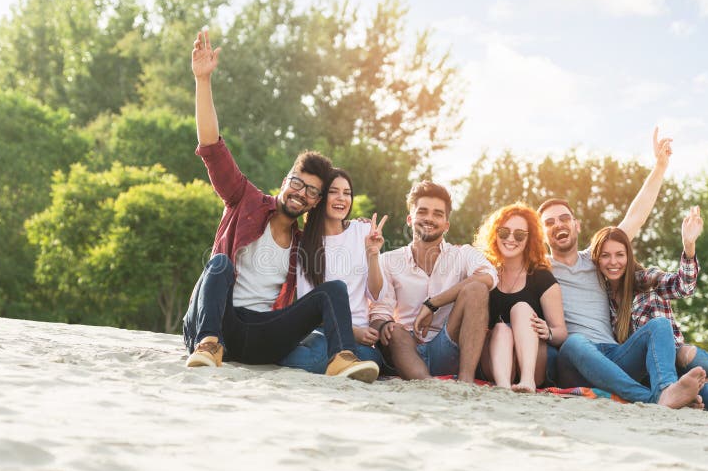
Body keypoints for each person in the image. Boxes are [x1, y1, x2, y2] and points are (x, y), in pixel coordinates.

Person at [182, 30, 379, 382]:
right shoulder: (245, 199)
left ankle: (341, 357)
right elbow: (211, 146)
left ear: (316, 202)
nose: (301, 193)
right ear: (286, 180)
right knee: (219, 264)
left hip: (263, 335)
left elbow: (341, 242)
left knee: (331, 290)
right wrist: (203, 80)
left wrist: (359, 227)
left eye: (312, 192)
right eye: (297, 182)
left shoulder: (305, 245)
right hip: (217, 325)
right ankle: (209, 344)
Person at [538, 128, 706, 408]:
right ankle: (653, 398)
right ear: (542, 233)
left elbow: (636, 216)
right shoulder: (541, 269)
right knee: (576, 342)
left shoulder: (596, 259)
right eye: (550, 222)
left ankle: (666, 390)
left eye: (564, 218)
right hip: (575, 360)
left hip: (615, 357)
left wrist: (660, 167)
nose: (558, 225)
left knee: (659, 325)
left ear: (576, 225)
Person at [591, 208, 708, 413]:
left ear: (628, 256)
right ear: (597, 259)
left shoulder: (645, 279)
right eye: (605, 256)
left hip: (678, 360)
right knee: (703, 385)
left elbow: (683, 286)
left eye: (619, 255)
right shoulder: (599, 297)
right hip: (651, 375)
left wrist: (689, 246)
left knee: (691, 357)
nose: (613, 262)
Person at [369, 181, 498, 383]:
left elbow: (489, 276)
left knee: (477, 288)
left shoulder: (462, 254)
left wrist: (433, 304)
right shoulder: (389, 260)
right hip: (405, 350)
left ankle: (465, 382)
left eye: (438, 214)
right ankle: (427, 385)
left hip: (447, 345)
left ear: (446, 225)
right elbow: (378, 313)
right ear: (410, 219)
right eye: (423, 212)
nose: (429, 218)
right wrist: (384, 325)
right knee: (395, 329)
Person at [278, 168, 389, 373]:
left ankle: (339, 364)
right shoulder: (306, 245)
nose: (342, 198)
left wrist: (373, 254)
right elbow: (310, 308)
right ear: (320, 198)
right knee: (317, 354)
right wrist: (350, 332)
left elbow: (376, 294)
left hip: (361, 340)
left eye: (347, 193)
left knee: (371, 358)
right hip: (322, 333)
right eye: (334, 192)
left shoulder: (363, 231)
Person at [474, 203, 567, 392]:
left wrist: (548, 332)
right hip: (495, 360)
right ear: (495, 234)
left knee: (521, 308)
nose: (511, 239)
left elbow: (561, 333)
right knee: (501, 329)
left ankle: (527, 381)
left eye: (519, 235)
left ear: (529, 239)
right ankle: (503, 387)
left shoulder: (541, 277)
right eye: (504, 232)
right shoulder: (486, 273)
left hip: (535, 365)